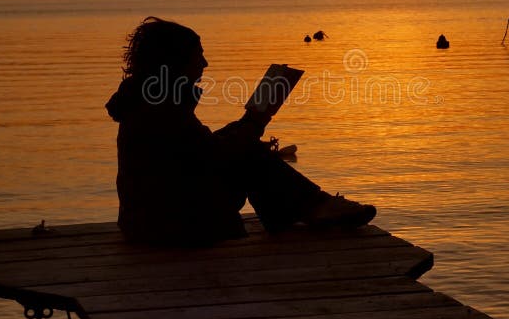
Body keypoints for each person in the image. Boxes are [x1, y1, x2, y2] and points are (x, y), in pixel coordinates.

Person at [106, 17, 376, 246]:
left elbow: (195, 150)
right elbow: (212, 156)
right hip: (169, 227)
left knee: (248, 149)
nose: (205, 63)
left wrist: (245, 125)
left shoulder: (148, 99)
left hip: (147, 221)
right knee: (252, 156)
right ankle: (315, 207)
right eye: (198, 55)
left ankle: (309, 208)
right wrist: (254, 123)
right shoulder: (160, 107)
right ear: (176, 61)